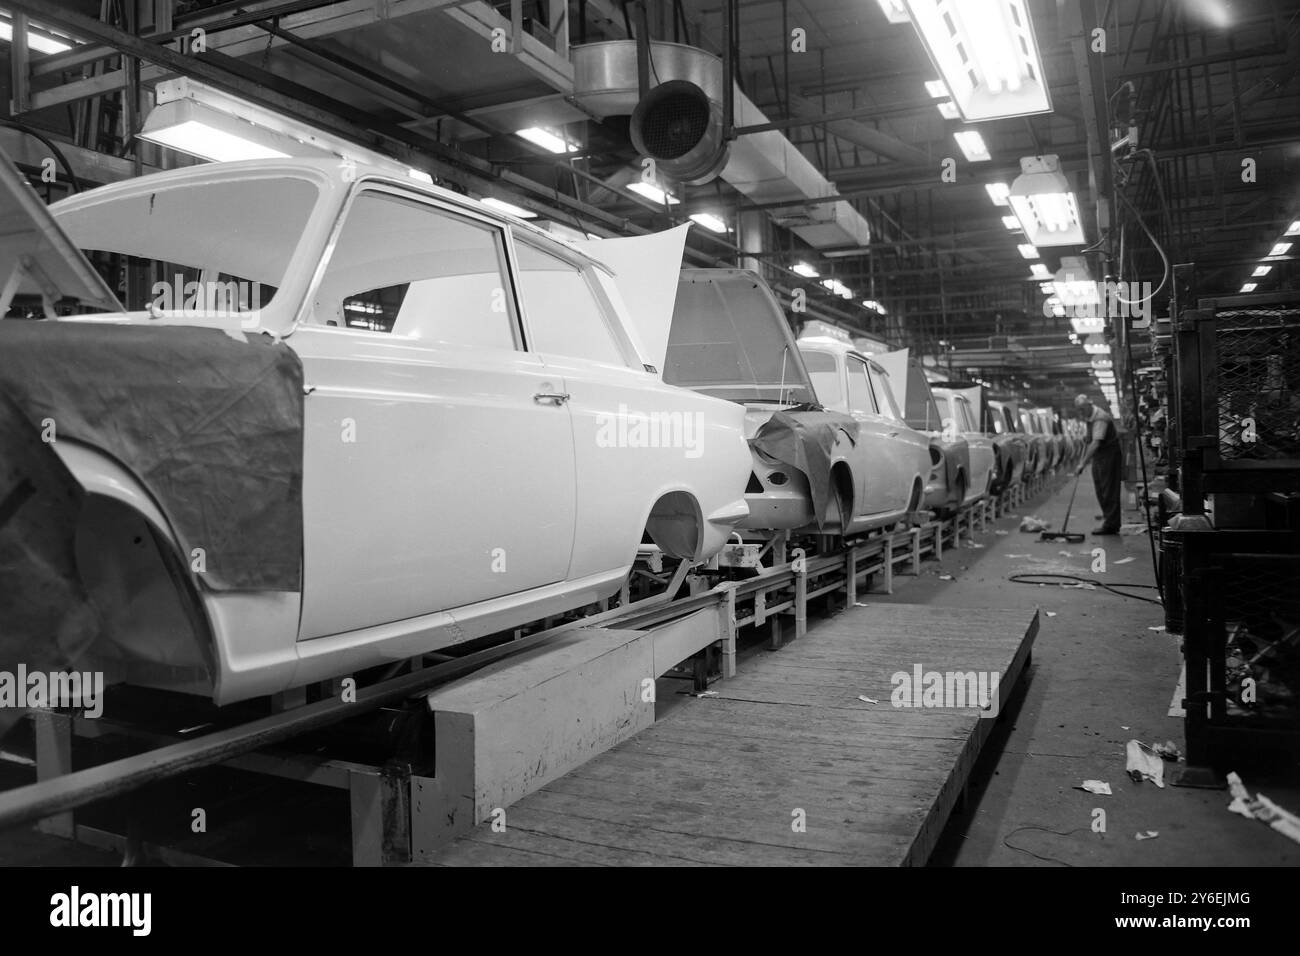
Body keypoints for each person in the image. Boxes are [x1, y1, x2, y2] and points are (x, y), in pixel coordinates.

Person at [1074, 393, 1122, 535]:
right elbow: (1091, 439)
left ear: (1089, 405)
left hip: (1109, 457)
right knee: (1101, 489)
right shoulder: (1090, 417)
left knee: (1109, 491)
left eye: (1082, 409)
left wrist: (1082, 464)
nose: (1081, 412)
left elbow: (1096, 443)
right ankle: (1109, 519)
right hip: (1100, 457)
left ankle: (1112, 524)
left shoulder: (1100, 418)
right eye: (1079, 410)